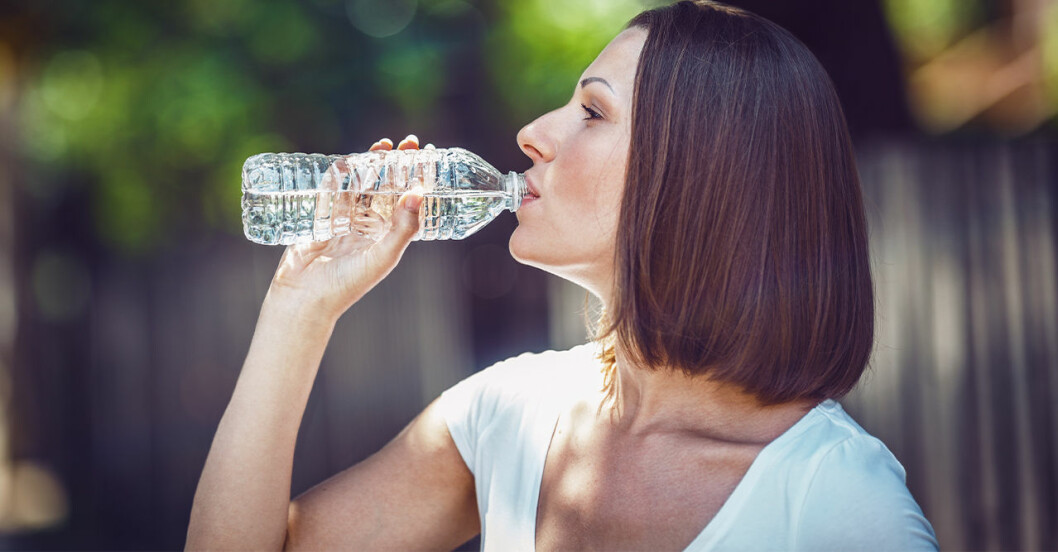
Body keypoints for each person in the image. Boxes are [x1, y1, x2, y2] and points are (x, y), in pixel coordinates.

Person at [186, 1, 939, 550]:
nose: (534, 133)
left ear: (698, 180)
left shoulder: (839, 507)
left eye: (592, 111)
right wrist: (299, 307)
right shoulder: (509, 416)